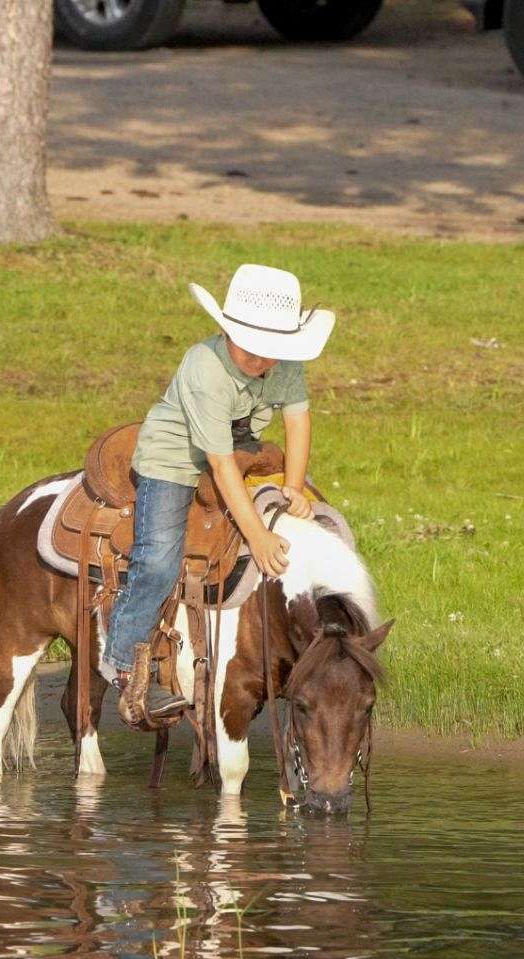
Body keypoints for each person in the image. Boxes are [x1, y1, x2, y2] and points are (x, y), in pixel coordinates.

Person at [103, 263, 336, 730]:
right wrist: (258, 536)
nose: (261, 359)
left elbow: (297, 420)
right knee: (158, 558)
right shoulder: (204, 366)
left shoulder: (285, 364)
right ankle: (123, 661)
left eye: (272, 350)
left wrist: (293, 487)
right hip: (175, 458)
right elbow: (219, 462)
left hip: (241, 445)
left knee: (314, 521)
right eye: (251, 347)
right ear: (228, 332)